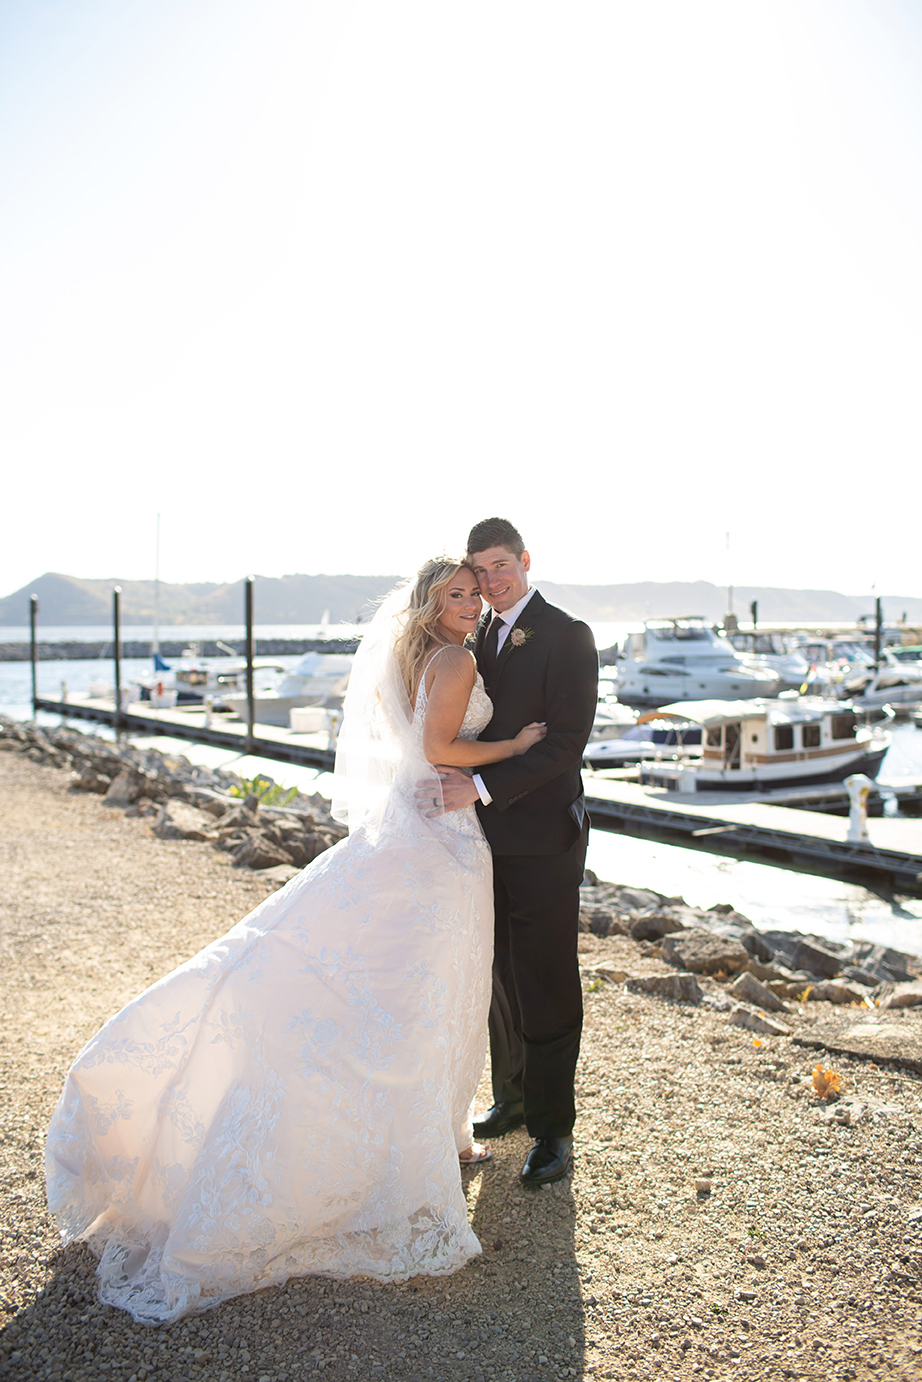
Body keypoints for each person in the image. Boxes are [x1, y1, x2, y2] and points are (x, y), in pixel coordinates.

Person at [44, 558, 546, 1325]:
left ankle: (442, 1133)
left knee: (417, 987)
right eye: (457, 594)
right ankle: (425, 1143)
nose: (471, 603)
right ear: (431, 602)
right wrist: (512, 749)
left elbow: (416, 745)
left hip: (418, 828)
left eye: (475, 593)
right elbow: (441, 747)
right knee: (435, 990)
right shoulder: (454, 659)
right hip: (442, 842)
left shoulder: (416, 653)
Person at [420, 519, 598, 1188]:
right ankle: (513, 1099)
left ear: (525, 560)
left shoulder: (568, 635)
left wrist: (481, 787)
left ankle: (552, 1130)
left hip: (543, 838)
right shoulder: (475, 636)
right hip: (479, 839)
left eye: (501, 566)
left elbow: (566, 744)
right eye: (481, 570)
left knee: (545, 979)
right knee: (496, 976)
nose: (491, 581)